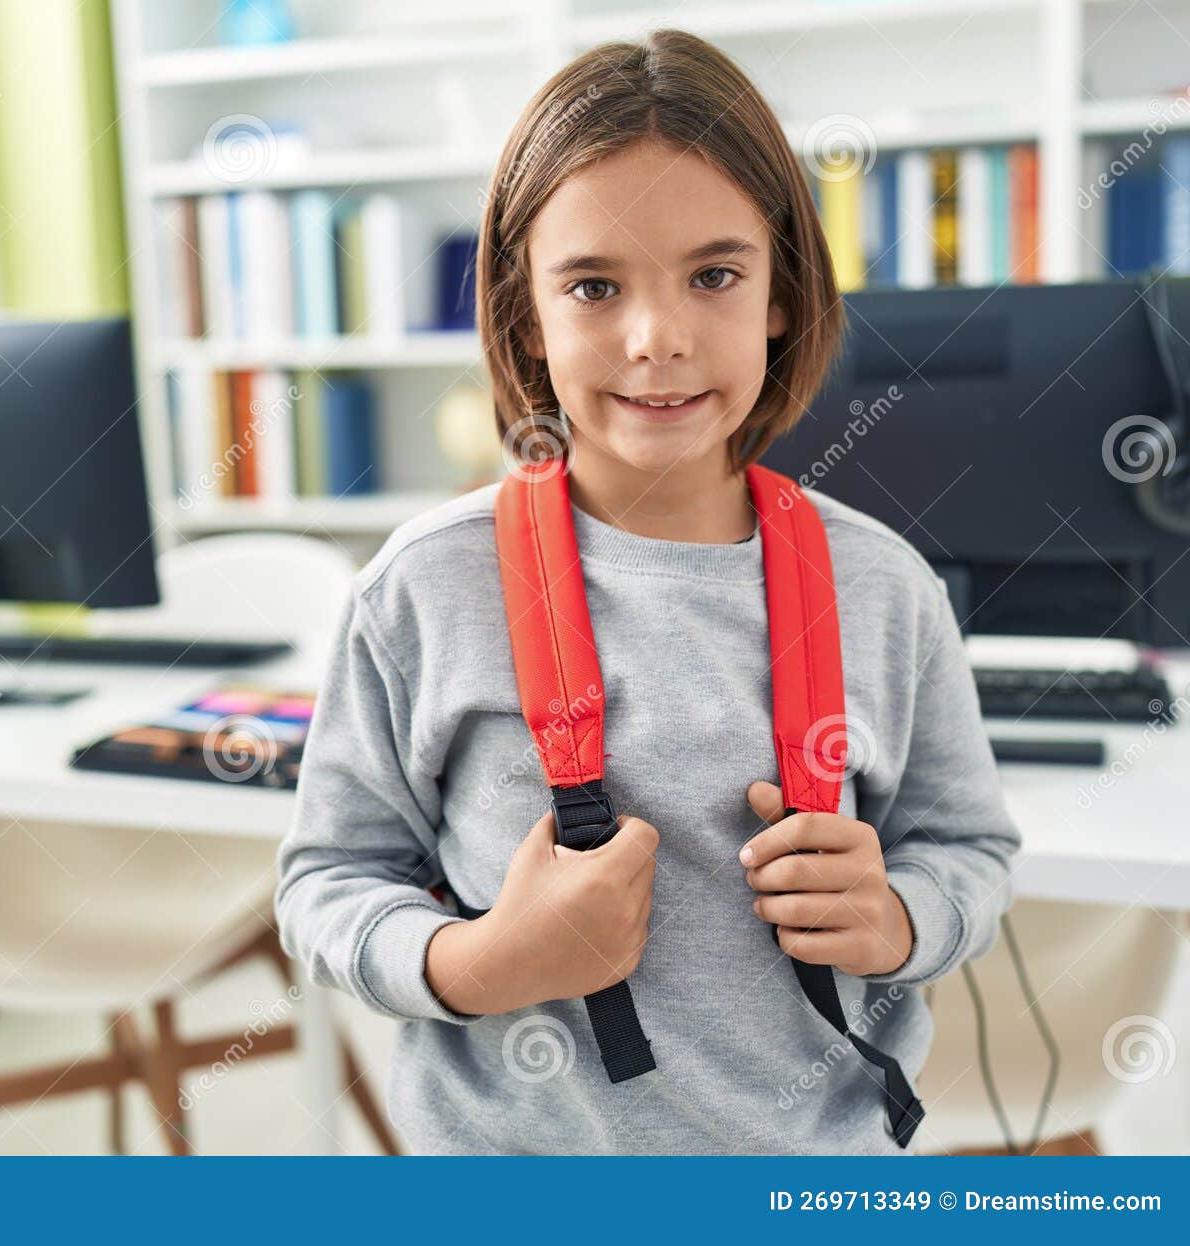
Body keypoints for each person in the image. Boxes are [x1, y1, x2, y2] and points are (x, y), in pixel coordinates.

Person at [274, 28, 1020, 1155]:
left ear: (780, 292)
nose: (657, 337)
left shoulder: (883, 586)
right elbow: (326, 880)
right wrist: (478, 963)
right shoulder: (423, 588)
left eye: (714, 275)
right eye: (592, 285)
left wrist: (901, 916)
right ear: (526, 312)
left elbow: (968, 847)